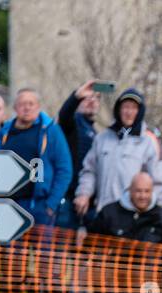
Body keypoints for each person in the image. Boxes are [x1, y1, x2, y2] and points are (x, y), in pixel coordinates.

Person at [71, 88, 162, 219]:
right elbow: (89, 171)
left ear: (140, 112)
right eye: (125, 107)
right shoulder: (102, 138)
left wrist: (150, 212)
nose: (129, 112)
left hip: (133, 217)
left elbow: (161, 183)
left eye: (134, 108)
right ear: (118, 110)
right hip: (103, 213)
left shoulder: (149, 142)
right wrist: (84, 194)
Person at [0, 88, 73, 227]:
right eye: (22, 104)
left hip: (39, 207)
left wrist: (51, 205)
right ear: (15, 107)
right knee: (9, 250)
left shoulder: (51, 131)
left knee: (39, 249)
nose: (26, 108)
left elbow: (64, 169)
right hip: (8, 206)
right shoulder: (5, 131)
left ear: (38, 107)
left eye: (31, 103)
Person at [57, 80, 103, 227]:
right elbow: (64, 114)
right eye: (87, 97)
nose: (92, 101)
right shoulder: (72, 123)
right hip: (68, 200)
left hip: (87, 201)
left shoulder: (95, 132)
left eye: (96, 97)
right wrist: (76, 96)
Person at [89, 170, 162, 243]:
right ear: (130, 191)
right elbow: (93, 242)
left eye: (147, 191)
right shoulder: (109, 214)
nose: (143, 196)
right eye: (138, 191)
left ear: (152, 191)